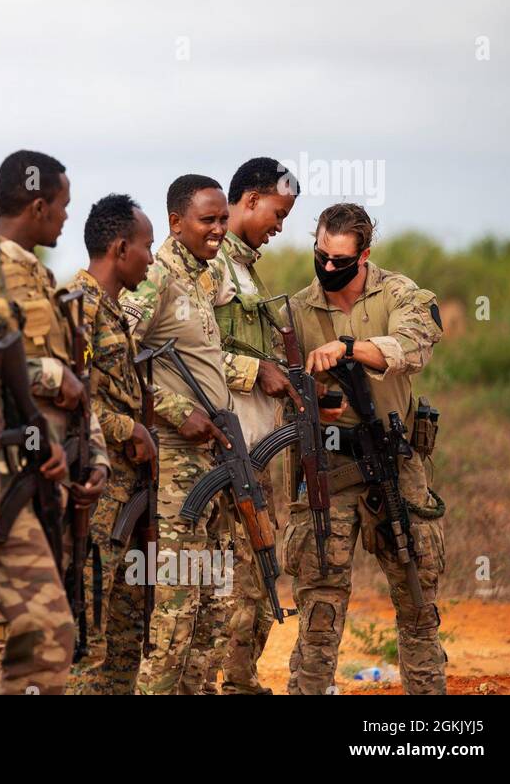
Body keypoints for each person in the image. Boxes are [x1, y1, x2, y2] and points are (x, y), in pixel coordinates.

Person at [284, 202, 446, 695]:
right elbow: (277, 387)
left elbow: (413, 346)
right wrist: (311, 406)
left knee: (418, 602)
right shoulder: (294, 311)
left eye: (340, 261)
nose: (328, 268)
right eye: (321, 256)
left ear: (365, 255)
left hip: (394, 462)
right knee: (319, 608)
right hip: (329, 466)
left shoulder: (400, 294)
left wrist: (350, 347)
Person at [0, 150, 109, 695]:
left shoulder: (43, 277)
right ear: (36, 205)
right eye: (62, 207)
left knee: (44, 634)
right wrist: (52, 375)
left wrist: (93, 455)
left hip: (52, 472)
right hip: (3, 473)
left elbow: (80, 378)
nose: (67, 219)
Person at [120, 174, 257, 694]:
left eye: (224, 219)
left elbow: (203, 361)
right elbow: (115, 357)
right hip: (177, 465)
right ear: (176, 222)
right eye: (208, 219)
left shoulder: (202, 279)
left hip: (216, 461)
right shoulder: (156, 278)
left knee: (213, 609)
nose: (219, 228)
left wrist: (249, 374)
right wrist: (177, 411)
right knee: (176, 612)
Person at [209, 156, 304, 693]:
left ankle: (241, 680)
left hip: (258, 448)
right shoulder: (210, 265)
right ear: (250, 198)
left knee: (261, 571)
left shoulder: (244, 268)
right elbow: (183, 355)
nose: (279, 225)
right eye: (278, 212)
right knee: (237, 576)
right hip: (225, 451)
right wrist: (253, 369)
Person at [67, 193, 157, 694]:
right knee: (90, 636)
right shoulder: (79, 307)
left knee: (126, 636)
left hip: (127, 499)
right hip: (95, 500)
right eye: (146, 246)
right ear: (120, 248)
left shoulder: (114, 310)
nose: (151, 256)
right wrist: (127, 430)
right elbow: (64, 402)